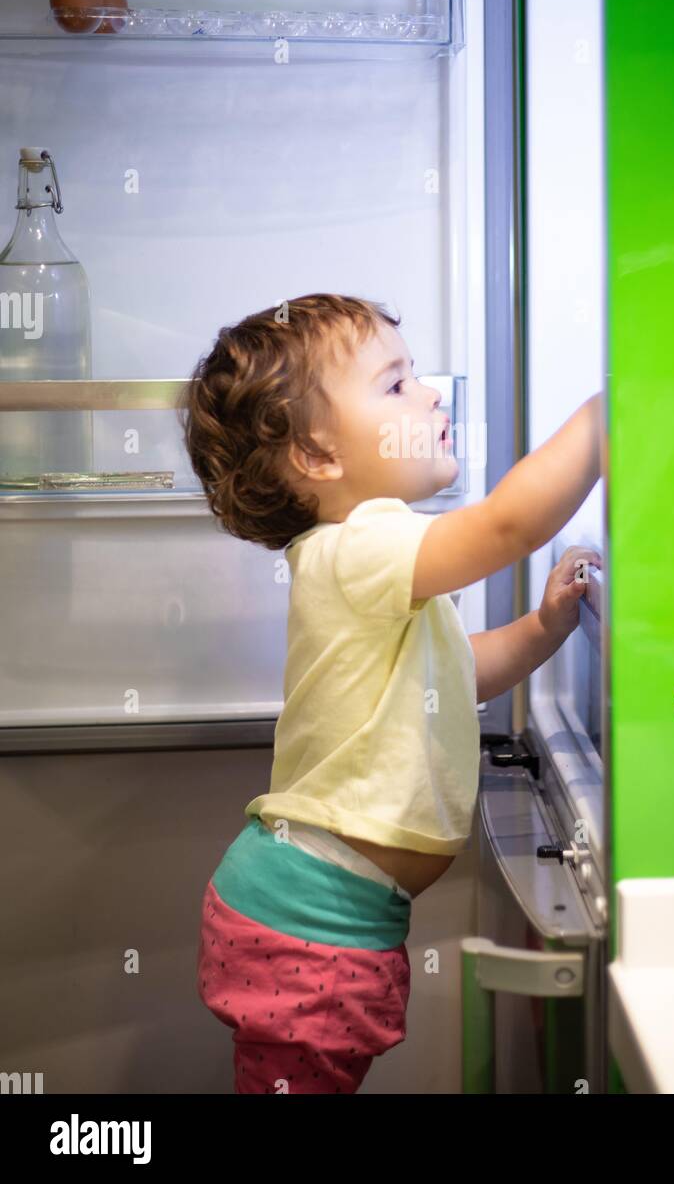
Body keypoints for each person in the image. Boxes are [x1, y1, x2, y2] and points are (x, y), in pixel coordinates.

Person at [182, 292, 603, 1093]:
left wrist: (542, 630)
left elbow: (451, 677)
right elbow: (507, 527)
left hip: (320, 918)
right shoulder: (357, 544)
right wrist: (602, 419)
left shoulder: (363, 563)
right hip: (309, 924)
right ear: (316, 454)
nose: (431, 395)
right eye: (396, 383)